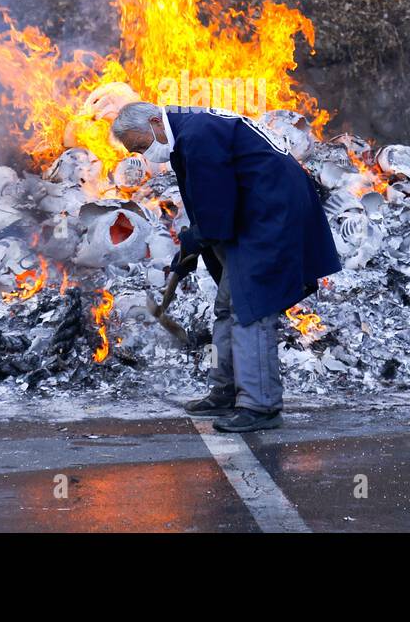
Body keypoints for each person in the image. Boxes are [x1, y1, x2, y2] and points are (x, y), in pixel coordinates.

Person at [111, 102, 341, 432]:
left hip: (273, 215)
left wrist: (198, 239)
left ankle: (260, 405)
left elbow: (218, 211)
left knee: (251, 308)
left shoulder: (199, 134)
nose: (144, 153)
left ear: (154, 122)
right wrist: (193, 242)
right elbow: (208, 201)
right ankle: (225, 391)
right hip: (257, 211)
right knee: (227, 306)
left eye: (140, 144)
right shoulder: (191, 131)